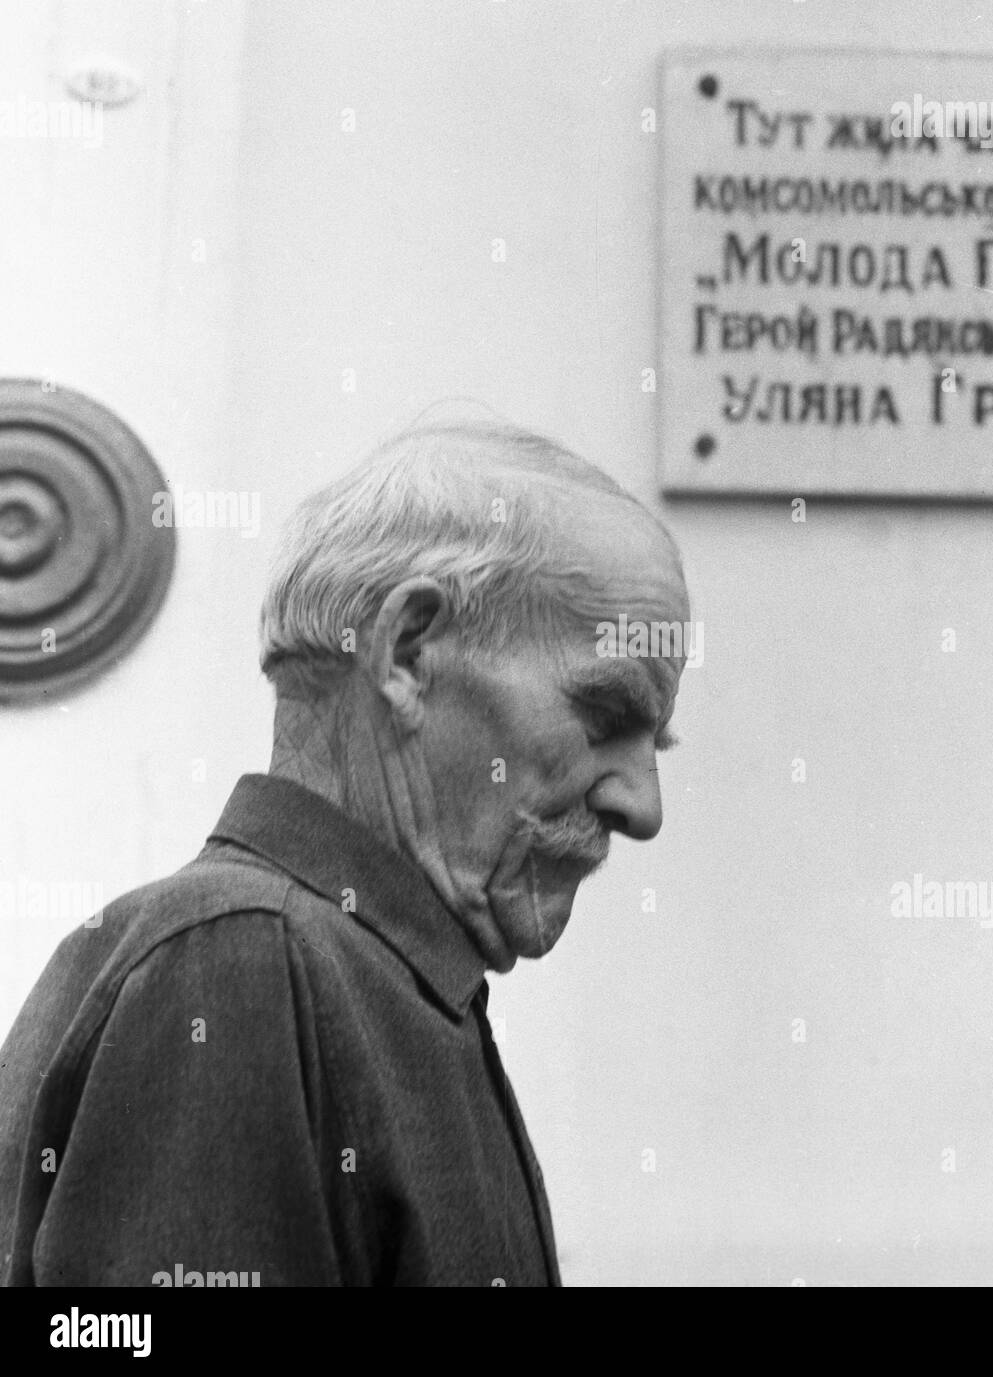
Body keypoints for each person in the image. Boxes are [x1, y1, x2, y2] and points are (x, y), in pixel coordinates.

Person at [0, 419, 689, 1286]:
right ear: (406, 651)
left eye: (653, 746)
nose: (643, 807)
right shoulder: (248, 959)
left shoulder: (347, 967)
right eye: (605, 714)